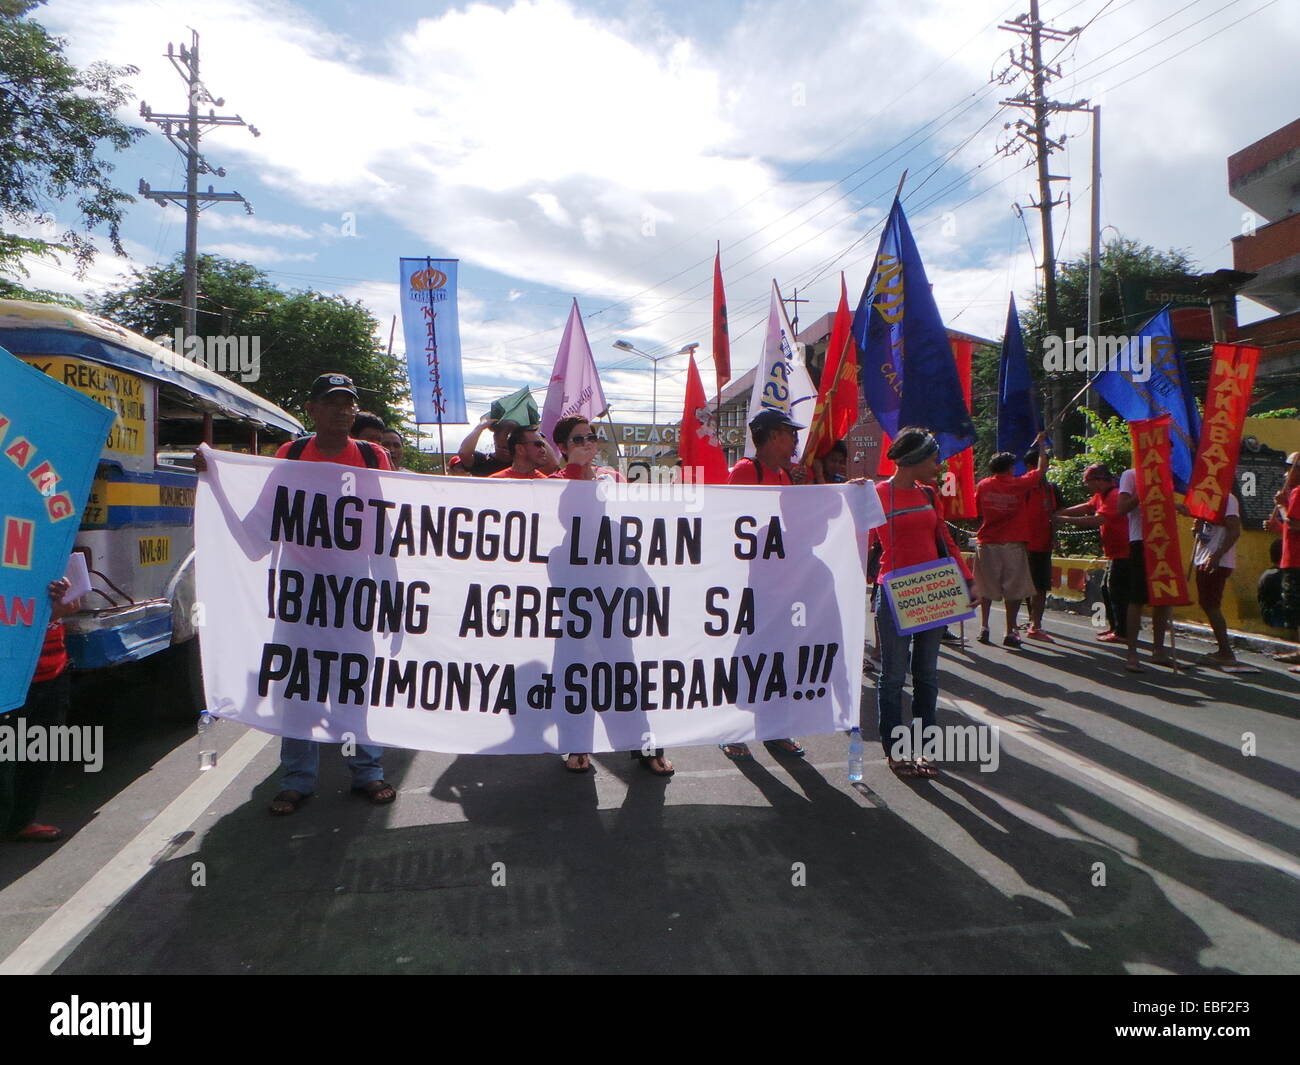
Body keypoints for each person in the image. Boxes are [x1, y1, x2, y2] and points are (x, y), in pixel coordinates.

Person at [199, 373, 397, 812]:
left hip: (353, 588)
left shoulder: (370, 454)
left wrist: (391, 589)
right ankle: (298, 778)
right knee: (298, 682)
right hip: (299, 593)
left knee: (354, 681)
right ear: (312, 409)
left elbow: (386, 526)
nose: (343, 411)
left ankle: (369, 771)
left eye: (349, 403)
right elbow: (264, 518)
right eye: (333, 402)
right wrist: (216, 479)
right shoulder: (291, 454)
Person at [549, 417, 673, 775]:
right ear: (563, 446)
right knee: (574, 670)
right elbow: (565, 516)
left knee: (624, 672)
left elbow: (632, 517)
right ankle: (576, 746)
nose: (589, 442)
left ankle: (645, 746)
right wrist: (576, 468)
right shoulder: (554, 481)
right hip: (573, 588)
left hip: (613, 588)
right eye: (579, 439)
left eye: (592, 437)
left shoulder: (612, 478)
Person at [870, 427, 974, 779]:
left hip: (934, 590)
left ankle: (927, 749)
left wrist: (968, 579)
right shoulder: (876, 494)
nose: (938, 463)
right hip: (895, 591)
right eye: (933, 457)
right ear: (913, 459)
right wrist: (846, 493)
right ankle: (896, 751)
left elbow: (943, 538)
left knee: (927, 676)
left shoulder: (929, 494)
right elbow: (848, 532)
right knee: (894, 677)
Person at [718, 409, 807, 760]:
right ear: (771, 436)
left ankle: (776, 730)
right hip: (751, 587)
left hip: (781, 586)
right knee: (747, 658)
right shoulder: (746, 471)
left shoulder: (785, 475)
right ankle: (732, 729)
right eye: (790, 433)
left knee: (780, 659)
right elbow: (729, 522)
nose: (795, 440)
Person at [1, 578, 80, 842]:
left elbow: (73, 604)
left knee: (41, 753)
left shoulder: (51, 548)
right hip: (10, 677)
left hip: (52, 670)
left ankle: (21, 821)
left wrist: (62, 605)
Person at [972, 433, 1049, 647]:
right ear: (1009, 468)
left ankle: (984, 627)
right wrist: (1042, 445)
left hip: (987, 542)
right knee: (1013, 591)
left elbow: (976, 510)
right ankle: (1009, 630)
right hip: (1013, 544)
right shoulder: (1018, 484)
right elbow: (1041, 470)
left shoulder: (984, 485)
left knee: (986, 587)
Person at [1055, 465, 1129, 642]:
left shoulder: (1113, 496)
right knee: (1107, 589)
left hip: (1125, 552)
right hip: (1114, 552)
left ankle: (1123, 632)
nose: (1087, 486)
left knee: (1118, 593)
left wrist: (1064, 519)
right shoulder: (1101, 495)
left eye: (1088, 482)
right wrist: (1063, 511)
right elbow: (1087, 507)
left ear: (1098, 481)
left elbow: (1096, 519)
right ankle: (1116, 627)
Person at [1115, 465, 1175, 672]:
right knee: (1137, 598)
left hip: (1163, 540)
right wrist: (1142, 493)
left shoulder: (1166, 476)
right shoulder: (1131, 475)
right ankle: (1132, 654)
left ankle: (1158, 651)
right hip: (1141, 541)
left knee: (1163, 596)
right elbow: (1121, 508)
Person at [1192, 486, 1242, 667]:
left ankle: (1226, 652)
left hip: (1216, 560)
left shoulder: (1227, 499)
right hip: (1204, 557)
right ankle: (1223, 649)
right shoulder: (1205, 499)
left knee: (1211, 604)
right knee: (1207, 603)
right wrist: (1198, 528)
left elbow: (1234, 531)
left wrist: (1217, 555)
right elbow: (1207, 532)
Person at [1021, 446, 1061, 642]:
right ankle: (1030, 622)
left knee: (1041, 586)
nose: (1045, 467)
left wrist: (1056, 537)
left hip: (1044, 544)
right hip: (1024, 544)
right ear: (1030, 466)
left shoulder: (1051, 488)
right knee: (1027, 586)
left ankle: (1035, 623)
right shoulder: (1023, 486)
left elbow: (1056, 514)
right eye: (1041, 462)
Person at [453, 414, 518, 476]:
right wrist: (480, 428)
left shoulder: (523, 464)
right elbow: (464, 453)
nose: (506, 452)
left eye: (510, 448)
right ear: (495, 441)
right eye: (502, 447)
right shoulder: (483, 461)